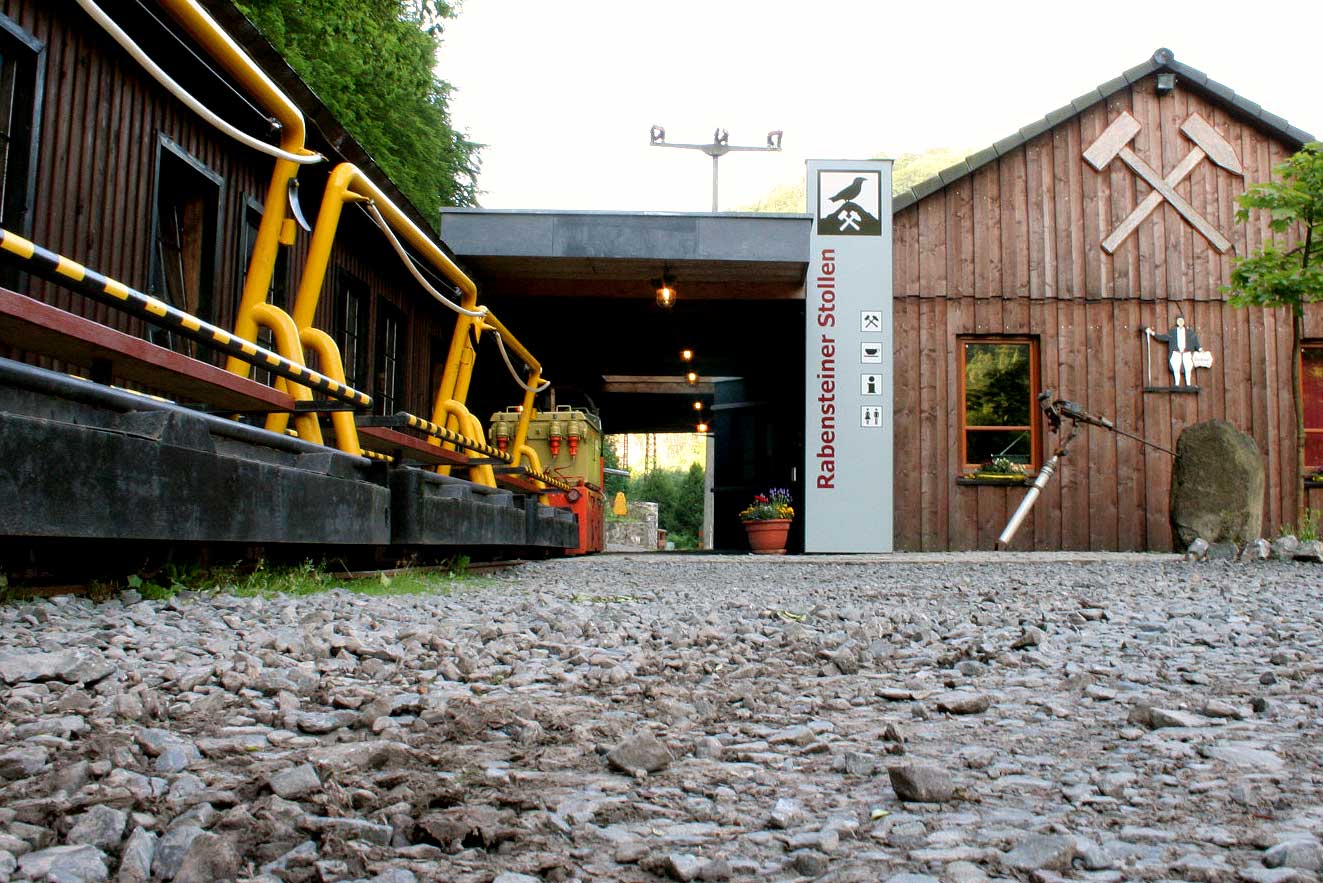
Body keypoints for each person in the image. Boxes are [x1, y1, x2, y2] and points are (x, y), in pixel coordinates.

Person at [1145, 316, 1202, 386]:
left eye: (1181, 321)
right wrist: (1152, 333)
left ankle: (1188, 384)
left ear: (1184, 322)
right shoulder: (1172, 332)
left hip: (1186, 353)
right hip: (1176, 353)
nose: (1180, 322)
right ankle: (1177, 384)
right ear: (1177, 322)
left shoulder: (1190, 332)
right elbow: (1163, 337)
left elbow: (1195, 341)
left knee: (1188, 368)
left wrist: (1200, 349)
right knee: (1176, 368)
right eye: (1179, 321)